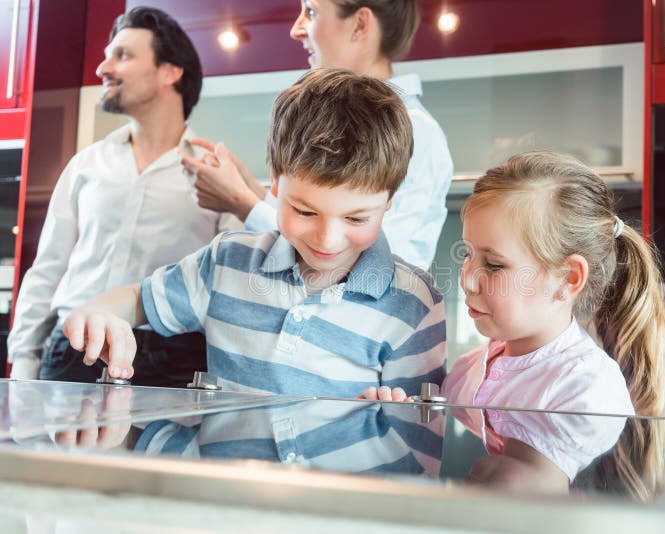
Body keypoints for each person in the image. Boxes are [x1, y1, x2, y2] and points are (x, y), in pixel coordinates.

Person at [60, 68, 447, 397]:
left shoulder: (416, 304)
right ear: (275, 182)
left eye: (356, 219)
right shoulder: (226, 261)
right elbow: (136, 300)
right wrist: (100, 312)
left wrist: (392, 412)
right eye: (304, 210)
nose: (327, 239)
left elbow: (417, 441)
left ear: (390, 200)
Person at [362, 150, 665, 478]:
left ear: (568, 279)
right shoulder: (475, 366)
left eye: (494, 265)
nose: (466, 278)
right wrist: (403, 414)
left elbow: (520, 489)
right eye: (468, 254)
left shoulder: (585, 391)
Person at [7, 7, 241, 385]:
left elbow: (229, 285)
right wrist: (23, 361)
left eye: (123, 55)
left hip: (174, 363)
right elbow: (48, 270)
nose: (102, 68)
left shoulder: (214, 173)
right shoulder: (86, 164)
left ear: (170, 72)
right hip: (70, 354)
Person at [181, 0, 453, 270]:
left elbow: (372, 262)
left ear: (359, 24)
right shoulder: (334, 114)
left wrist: (242, 203)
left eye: (311, 12)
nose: (296, 29)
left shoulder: (419, 132)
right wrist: (251, 188)